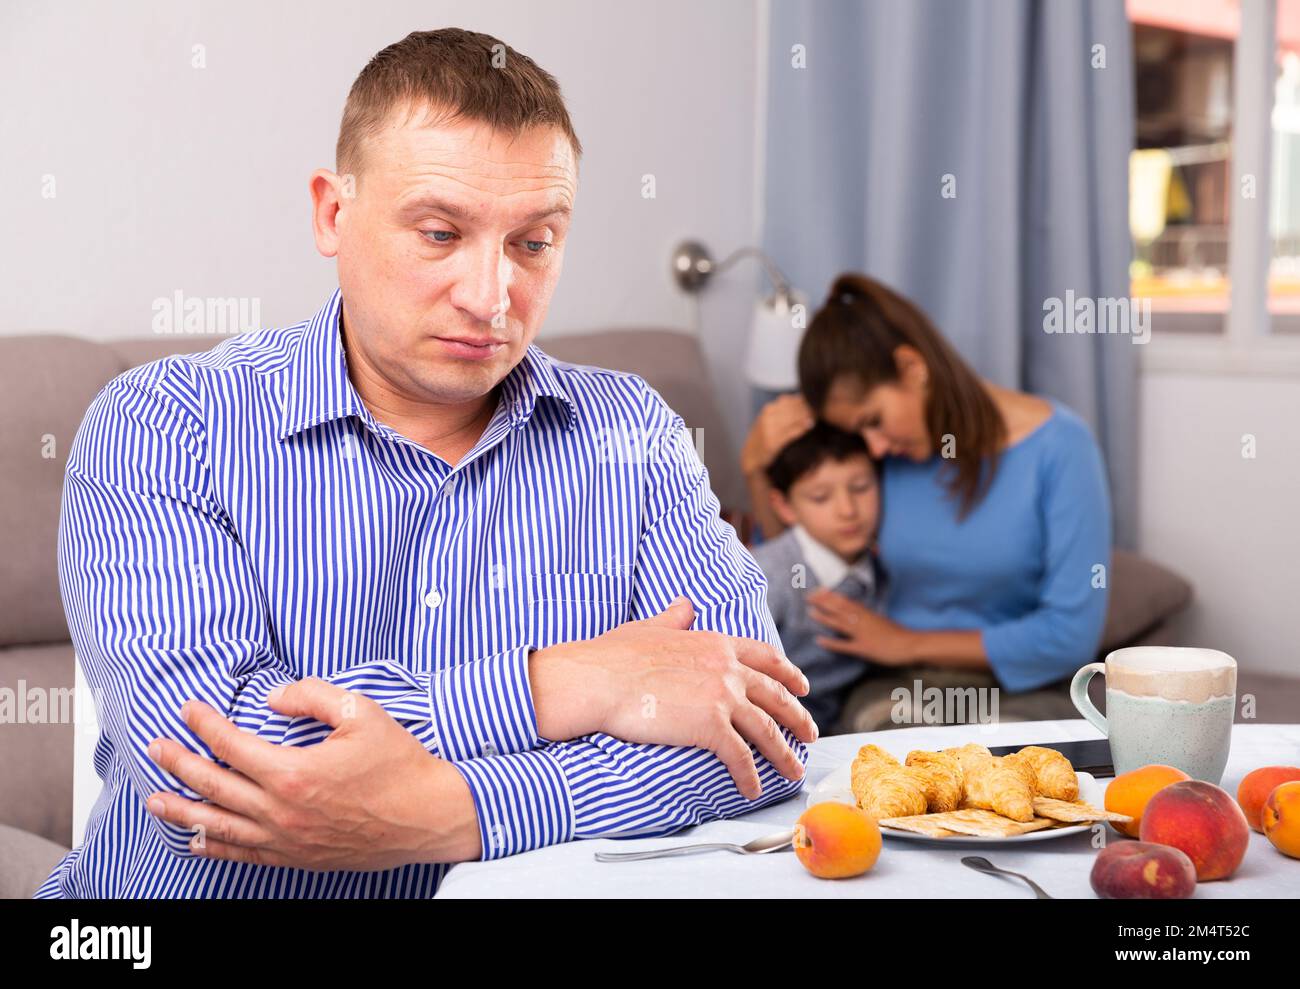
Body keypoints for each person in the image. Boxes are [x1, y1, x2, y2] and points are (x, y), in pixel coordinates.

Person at [37, 28, 816, 900]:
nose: (491, 298)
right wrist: (566, 684)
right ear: (333, 213)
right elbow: (212, 766)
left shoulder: (631, 433)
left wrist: (453, 810)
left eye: (534, 243)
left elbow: (762, 737)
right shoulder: (165, 424)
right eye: (441, 232)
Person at [742, 272, 1111, 733]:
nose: (873, 448)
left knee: (1005, 763)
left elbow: (1069, 637)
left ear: (913, 368)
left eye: (874, 421)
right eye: (861, 432)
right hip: (895, 689)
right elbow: (803, 563)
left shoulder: (1062, 447)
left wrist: (907, 643)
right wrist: (757, 468)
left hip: (1026, 689)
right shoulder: (887, 457)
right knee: (893, 758)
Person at [750, 422, 884, 732]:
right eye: (821, 497)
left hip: (839, 731)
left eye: (861, 488)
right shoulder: (768, 577)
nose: (848, 510)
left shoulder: (883, 567)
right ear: (784, 506)